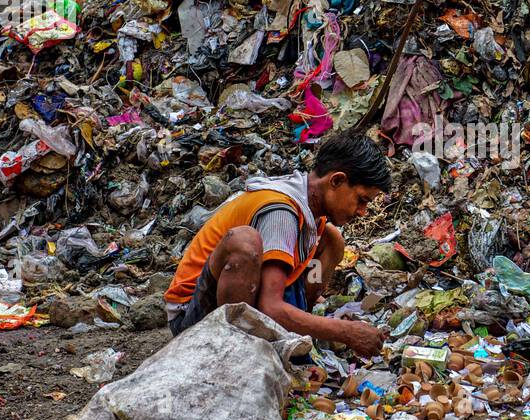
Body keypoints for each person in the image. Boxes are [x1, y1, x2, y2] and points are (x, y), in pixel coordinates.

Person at [164, 130, 390, 356]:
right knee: (245, 243)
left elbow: (307, 273)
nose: (362, 212)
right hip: (195, 313)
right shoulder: (281, 213)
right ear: (337, 180)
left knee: (332, 240)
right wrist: (345, 332)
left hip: (263, 294)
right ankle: (234, 353)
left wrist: (325, 312)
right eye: (361, 200)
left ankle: (303, 317)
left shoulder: (312, 211)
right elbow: (270, 307)